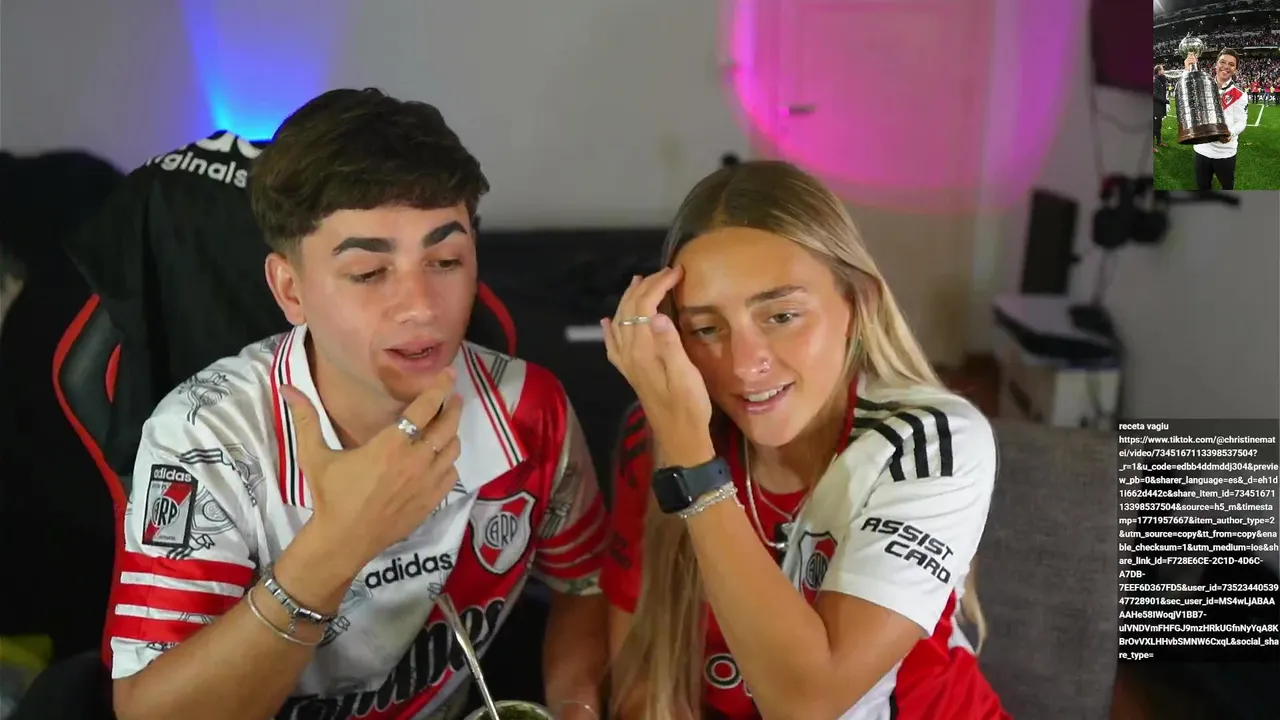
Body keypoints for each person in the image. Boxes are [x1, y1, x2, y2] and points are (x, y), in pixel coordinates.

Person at [106, 88, 608, 720]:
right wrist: (338, 545)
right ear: (290, 290)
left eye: (446, 260)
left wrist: (575, 705)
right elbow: (149, 711)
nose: (421, 307)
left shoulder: (528, 411)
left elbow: (587, 584)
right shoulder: (206, 436)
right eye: (369, 273)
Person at [599, 160, 1008, 719]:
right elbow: (640, 667)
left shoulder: (930, 441)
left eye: (782, 316)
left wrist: (693, 466)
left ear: (857, 304)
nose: (744, 365)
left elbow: (807, 702)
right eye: (706, 329)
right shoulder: (657, 434)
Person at [1188, 49, 1249, 191]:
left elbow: (1241, 122)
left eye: (1231, 64)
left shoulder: (1240, 95)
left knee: (1227, 187)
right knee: (1203, 187)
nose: (1226, 66)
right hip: (1201, 149)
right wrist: (1188, 71)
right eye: (1222, 62)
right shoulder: (1202, 86)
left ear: (1235, 69)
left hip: (1225, 152)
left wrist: (1230, 133)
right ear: (1216, 64)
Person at [1153, 65, 1170, 152]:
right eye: (1163, 69)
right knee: (1154, 127)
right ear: (1159, 71)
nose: (1164, 70)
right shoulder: (1155, 80)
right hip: (1155, 107)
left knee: (1159, 125)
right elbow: (1154, 95)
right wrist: (1165, 100)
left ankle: (1159, 142)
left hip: (1160, 107)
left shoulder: (1160, 80)